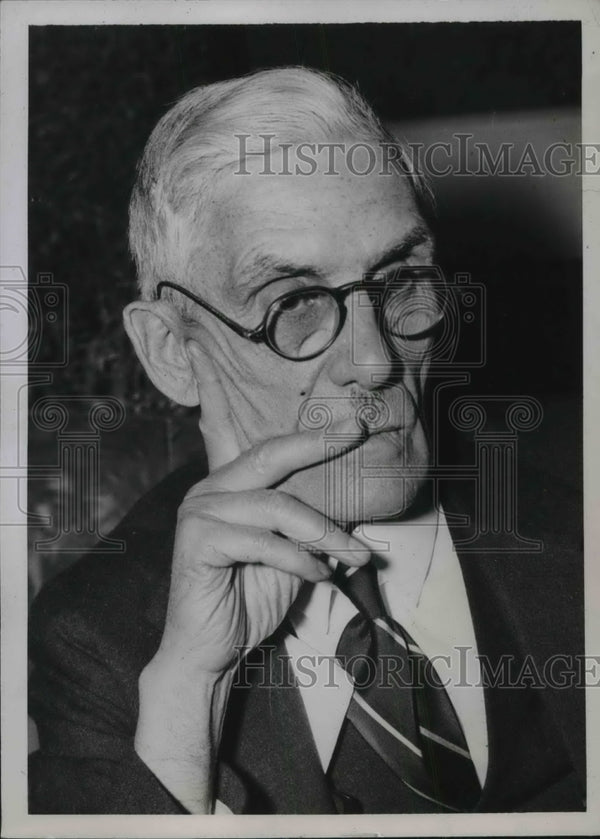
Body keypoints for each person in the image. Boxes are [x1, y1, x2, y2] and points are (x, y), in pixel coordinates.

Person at [28, 66, 584, 815]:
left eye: (398, 279)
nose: (378, 359)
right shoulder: (99, 645)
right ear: (171, 350)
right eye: (295, 303)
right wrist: (188, 699)